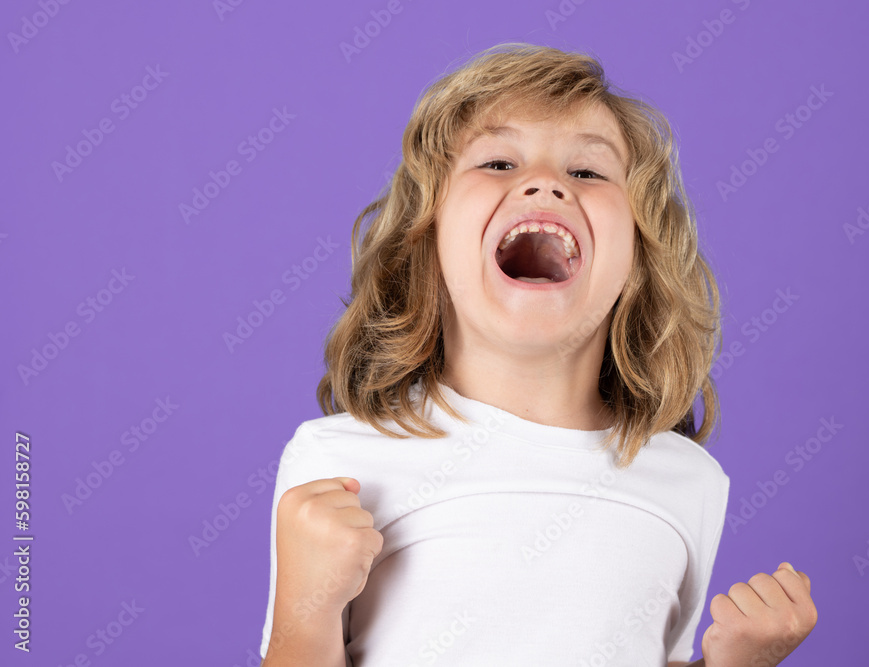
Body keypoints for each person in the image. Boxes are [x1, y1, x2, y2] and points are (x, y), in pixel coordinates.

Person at [259, 42, 817, 667]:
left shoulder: (689, 483)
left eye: (587, 172)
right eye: (497, 161)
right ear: (428, 239)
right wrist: (303, 610)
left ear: (638, 257)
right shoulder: (338, 463)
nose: (545, 183)